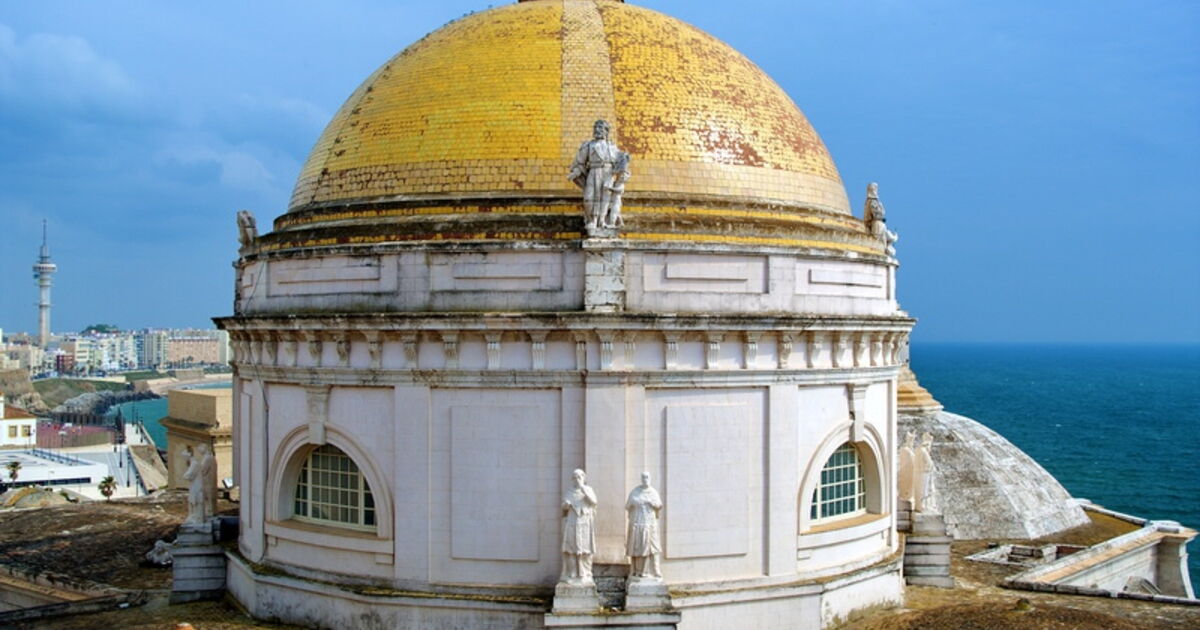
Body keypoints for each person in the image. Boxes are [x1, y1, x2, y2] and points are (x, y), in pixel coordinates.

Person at [568, 120, 621, 231]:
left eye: (600, 128)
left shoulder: (612, 147)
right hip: (593, 172)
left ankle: (601, 221)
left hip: (608, 174)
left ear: (606, 131)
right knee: (589, 198)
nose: (597, 130)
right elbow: (580, 162)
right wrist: (576, 172)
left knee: (605, 198)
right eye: (595, 127)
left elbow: (621, 164)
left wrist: (620, 180)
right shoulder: (588, 145)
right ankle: (592, 220)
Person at [561, 468, 598, 583]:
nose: (577, 479)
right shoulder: (570, 491)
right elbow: (563, 507)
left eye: (579, 477)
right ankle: (572, 572)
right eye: (575, 477)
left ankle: (585, 572)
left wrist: (585, 492)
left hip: (585, 523)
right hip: (572, 522)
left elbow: (594, 502)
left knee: (585, 548)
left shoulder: (588, 490)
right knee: (571, 548)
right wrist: (566, 505)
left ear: (583, 478)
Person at [625, 471, 663, 579]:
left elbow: (659, 505)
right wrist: (634, 502)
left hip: (650, 524)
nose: (645, 479)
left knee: (653, 547)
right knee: (636, 546)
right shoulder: (635, 492)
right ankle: (635, 570)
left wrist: (652, 503)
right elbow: (627, 506)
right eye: (643, 477)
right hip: (637, 523)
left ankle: (655, 570)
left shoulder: (653, 492)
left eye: (647, 477)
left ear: (649, 478)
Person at [183, 443, 216, 524]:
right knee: (196, 500)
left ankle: (200, 516)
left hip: (201, 483)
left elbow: (199, 471)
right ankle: (198, 515)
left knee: (198, 500)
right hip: (200, 482)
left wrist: (187, 475)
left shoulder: (204, 459)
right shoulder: (204, 459)